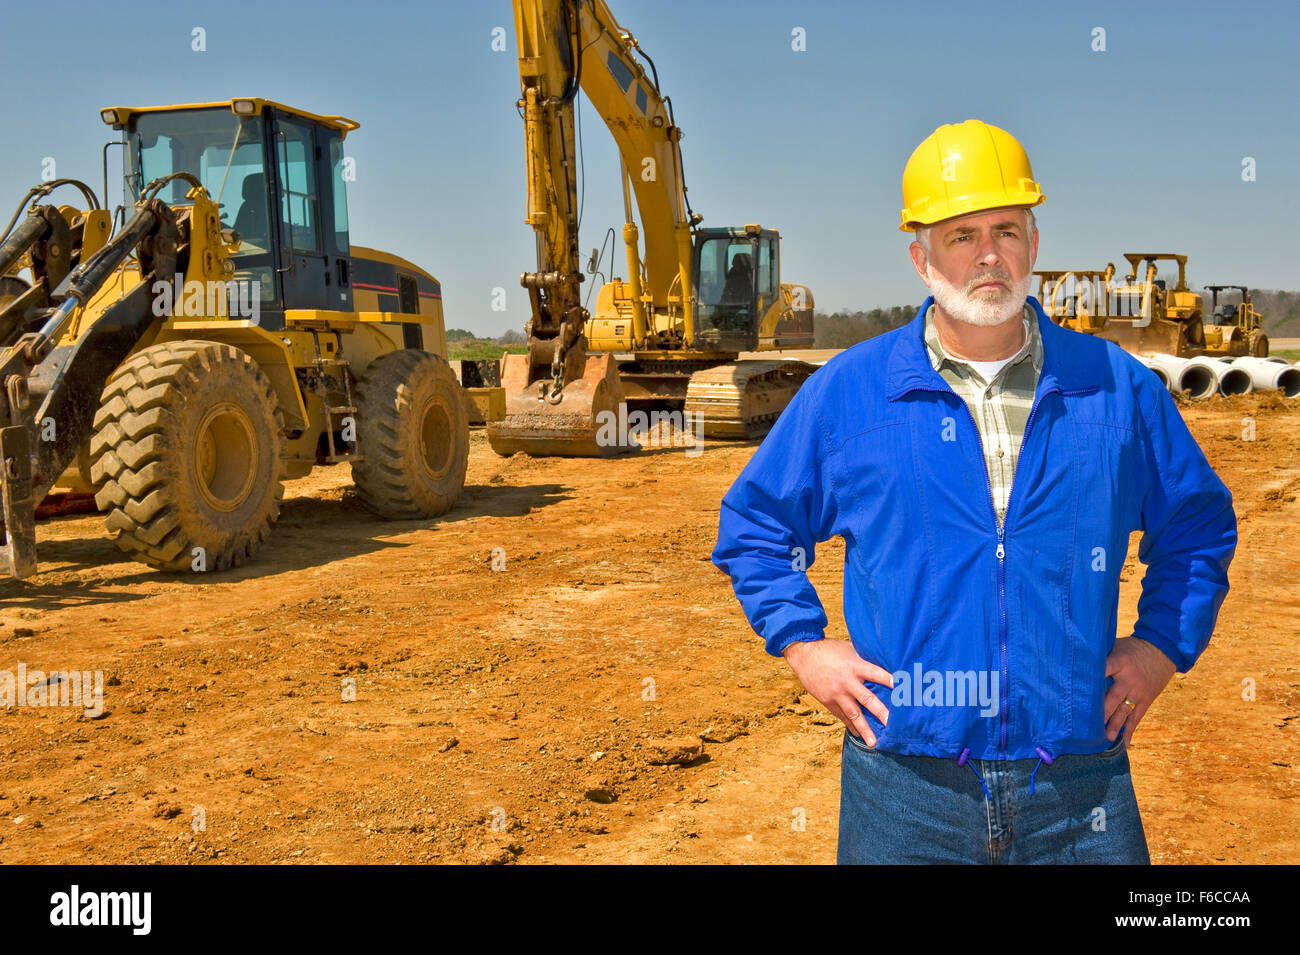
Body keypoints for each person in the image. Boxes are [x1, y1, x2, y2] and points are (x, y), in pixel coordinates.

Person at [711, 119, 1237, 864]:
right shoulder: (851, 393)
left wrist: (1157, 649)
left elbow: (1198, 526)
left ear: (1034, 243)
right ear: (920, 257)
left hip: (1079, 784)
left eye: (1007, 229)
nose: (989, 254)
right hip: (905, 788)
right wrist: (803, 646)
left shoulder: (1113, 385)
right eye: (960, 235)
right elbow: (754, 525)